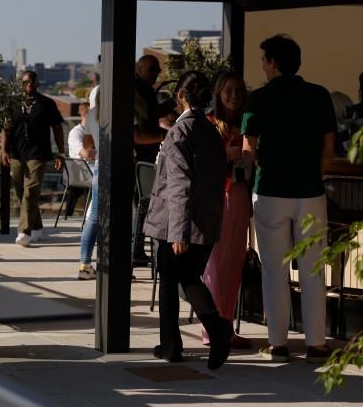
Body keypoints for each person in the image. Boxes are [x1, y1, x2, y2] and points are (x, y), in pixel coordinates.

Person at [242, 34, 336, 364]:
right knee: (312, 269)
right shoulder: (319, 95)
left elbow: (248, 148)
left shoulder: (259, 98)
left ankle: (278, 344)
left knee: (274, 271)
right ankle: (316, 344)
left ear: (272, 63)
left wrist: (258, 167)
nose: (262, 67)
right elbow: (328, 149)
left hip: (270, 191)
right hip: (310, 192)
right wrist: (314, 174)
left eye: (264, 61)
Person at [143, 71, 231, 369]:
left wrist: (178, 233)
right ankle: (176, 343)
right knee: (184, 277)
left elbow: (179, 185)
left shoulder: (180, 132)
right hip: (204, 220)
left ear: (181, 97)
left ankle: (212, 331)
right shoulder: (211, 130)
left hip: (176, 222)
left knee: (177, 279)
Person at [200, 73, 254, 349]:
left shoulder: (247, 123)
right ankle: (213, 329)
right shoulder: (208, 123)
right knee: (215, 265)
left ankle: (227, 326)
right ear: (219, 93)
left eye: (239, 90)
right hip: (217, 197)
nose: (235, 95)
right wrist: (226, 155)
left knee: (234, 263)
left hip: (241, 194)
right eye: (229, 90)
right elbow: (197, 162)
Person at [0, 70, 65, 246]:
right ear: (20, 83)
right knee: (21, 191)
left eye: (33, 82)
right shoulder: (12, 103)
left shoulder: (47, 103)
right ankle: (36, 226)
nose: (29, 84)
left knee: (31, 191)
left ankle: (24, 232)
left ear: (37, 84)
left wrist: (61, 153)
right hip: (16, 154)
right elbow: (5, 129)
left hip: (38, 153)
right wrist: (3, 150)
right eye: (26, 82)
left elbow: (57, 128)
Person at [77, 94, 100, 280]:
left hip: (100, 166)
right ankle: (122, 265)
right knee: (127, 218)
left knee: (94, 217)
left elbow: (86, 147)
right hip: (120, 166)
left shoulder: (92, 114)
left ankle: (85, 264)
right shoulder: (123, 110)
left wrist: (98, 149)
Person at [134, 55, 174, 163]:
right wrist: (175, 101)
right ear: (139, 69)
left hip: (148, 150)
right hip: (140, 152)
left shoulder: (146, 88)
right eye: (152, 70)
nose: (156, 73)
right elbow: (150, 114)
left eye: (158, 70)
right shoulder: (135, 89)